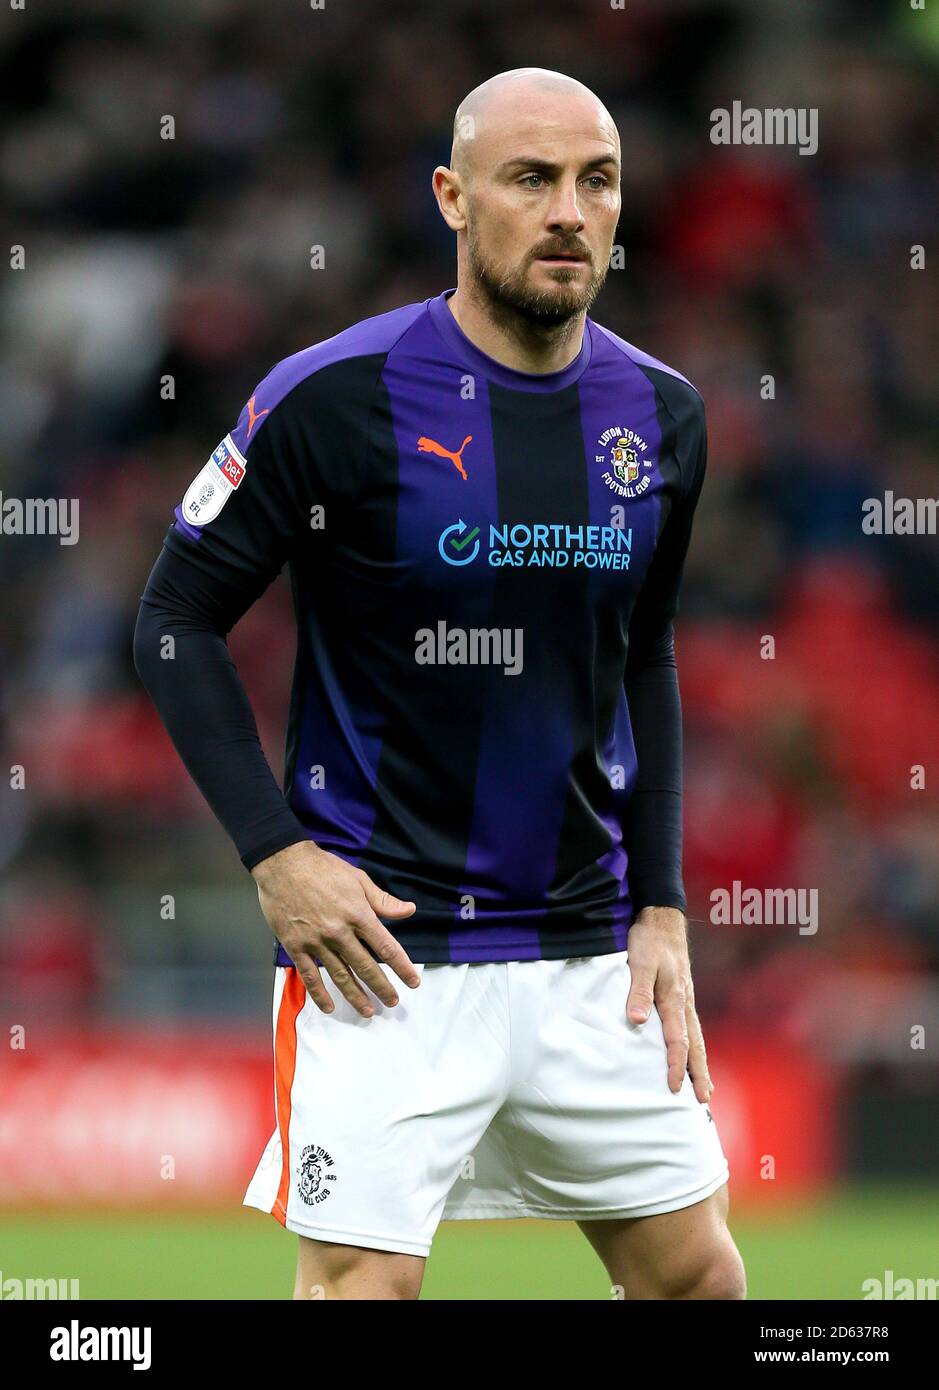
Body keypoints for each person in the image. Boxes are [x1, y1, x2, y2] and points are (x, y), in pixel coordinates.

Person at [134, 66, 745, 1301]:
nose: (571, 210)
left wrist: (665, 904)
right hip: (389, 953)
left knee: (701, 1281)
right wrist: (274, 853)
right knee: (365, 1288)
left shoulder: (662, 417)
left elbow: (645, 653)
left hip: (592, 950)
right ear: (454, 199)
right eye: (532, 179)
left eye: (599, 181)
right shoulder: (330, 400)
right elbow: (174, 618)